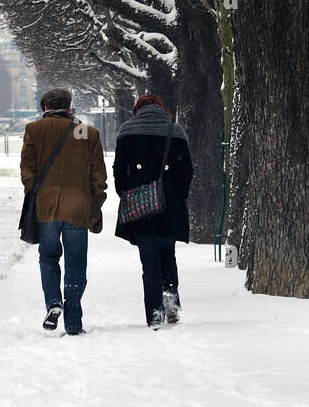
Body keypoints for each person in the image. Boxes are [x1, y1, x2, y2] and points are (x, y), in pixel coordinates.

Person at [20, 88, 107, 335]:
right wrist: (95, 201)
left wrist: (35, 192)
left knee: (48, 257)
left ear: (45, 107)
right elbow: (98, 175)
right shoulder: (85, 133)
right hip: (78, 208)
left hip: (46, 208)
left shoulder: (34, 130)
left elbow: (27, 168)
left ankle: (53, 302)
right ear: (69, 107)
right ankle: (73, 320)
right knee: (76, 263)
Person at [113, 93, 193, 328]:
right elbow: (187, 170)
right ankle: (171, 300)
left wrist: (127, 194)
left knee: (149, 260)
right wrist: (177, 195)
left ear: (137, 110)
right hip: (170, 205)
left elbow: (119, 170)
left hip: (140, 206)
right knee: (168, 254)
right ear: (161, 109)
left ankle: (154, 312)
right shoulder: (175, 131)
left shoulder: (127, 131)